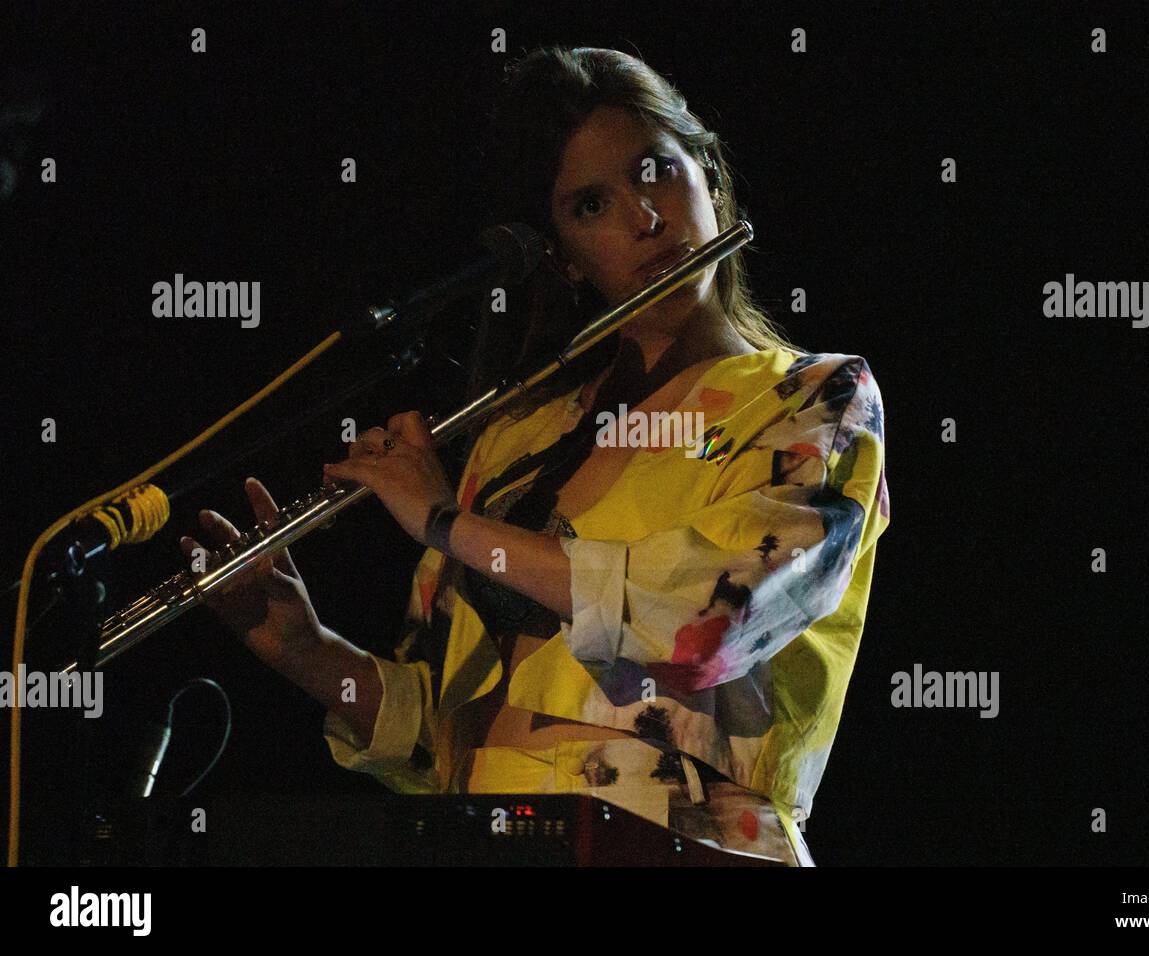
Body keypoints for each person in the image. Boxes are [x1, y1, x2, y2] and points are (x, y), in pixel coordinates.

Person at [181, 46, 890, 866]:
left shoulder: (815, 399)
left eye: (656, 170)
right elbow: (445, 741)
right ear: (561, 254)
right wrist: (309, 651)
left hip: (685, 843)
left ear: (706, 168)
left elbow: (707, 621)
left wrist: (449, 522)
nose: (644, 218)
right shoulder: (515, 439)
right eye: (591, 205)